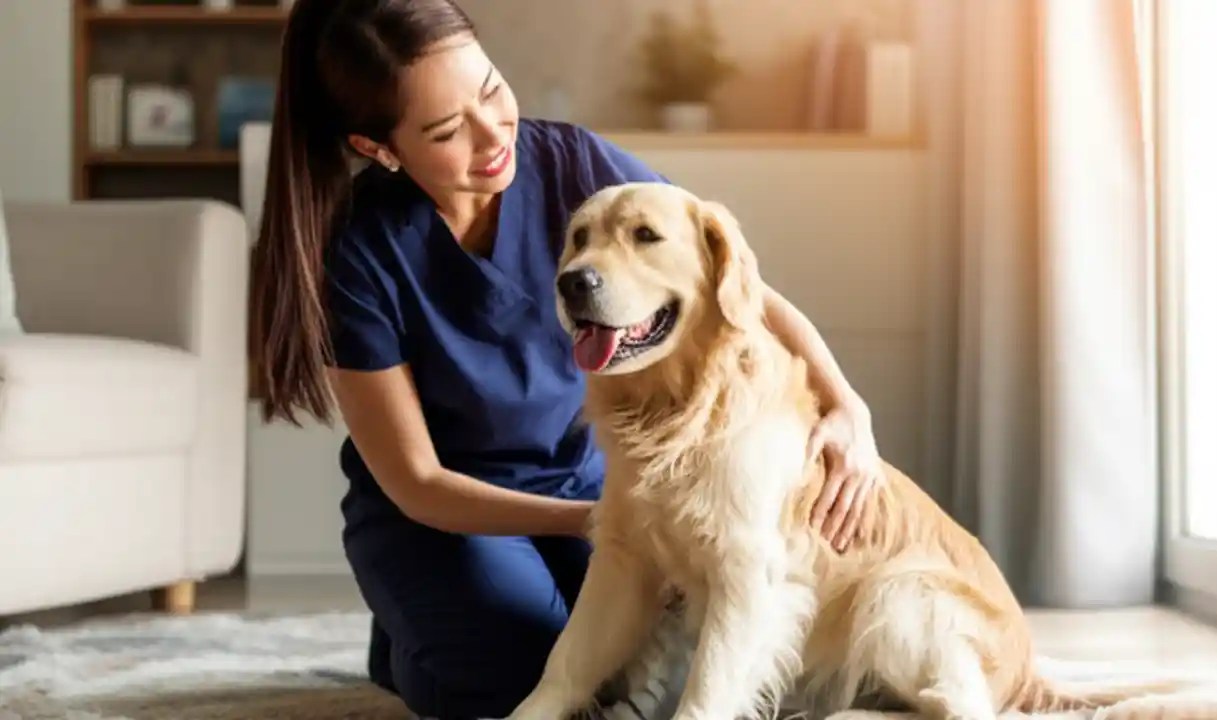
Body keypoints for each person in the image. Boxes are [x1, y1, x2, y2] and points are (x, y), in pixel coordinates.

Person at [248, 1, 885, 718]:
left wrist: (847, 407)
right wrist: (594, 520)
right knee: (526, 668)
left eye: (490, 90)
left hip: (590, 487)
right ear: (379, 148)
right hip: (446, 518)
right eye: (447, 130)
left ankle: (440, 623)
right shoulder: (359, 254)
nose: (492, 135)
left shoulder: (573, 161)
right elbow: (418, 482)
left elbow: (737, 284)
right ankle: (409, 627)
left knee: (652, 660)